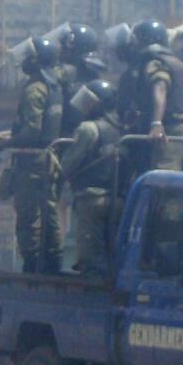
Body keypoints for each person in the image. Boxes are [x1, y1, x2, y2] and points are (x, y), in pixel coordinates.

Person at [0, 36, 64, 274]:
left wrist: (3, 145)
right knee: (49, 211)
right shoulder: (54, 87)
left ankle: (31, 263)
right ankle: (54, 260)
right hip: (49, 159)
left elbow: (32, 130)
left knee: (27, 216)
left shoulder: (34, 89)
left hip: (31, 162)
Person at [60, 80, 123, 276]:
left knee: (91, 259)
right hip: (117, 199)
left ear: (98, 104)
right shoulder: (120, 129)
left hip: (90, 199)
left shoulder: (88, 128)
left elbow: (68, 164)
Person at [127, 19, 183, 175]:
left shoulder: (155, 62)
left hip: (170, 132)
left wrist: (156, 123)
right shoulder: (180, 65)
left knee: (162, 181)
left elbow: (160, 87)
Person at [50, 22, 108, 137]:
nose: (61, 50)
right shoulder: (91, 74)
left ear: (73, 49)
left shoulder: (69, 76)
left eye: (64, 47)